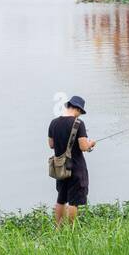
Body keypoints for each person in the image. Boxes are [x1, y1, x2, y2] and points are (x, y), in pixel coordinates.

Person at [48, 94, 95, 227]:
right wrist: (91, 143)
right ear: (78, 109)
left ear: (68, 106)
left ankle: (58, 228)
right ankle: (71, 229)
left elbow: (51, 144)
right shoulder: (78, 124)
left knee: (61, 199)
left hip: (60, 167)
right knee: (74, 201)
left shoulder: (54, 123)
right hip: (75, 167)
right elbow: (83, 147)